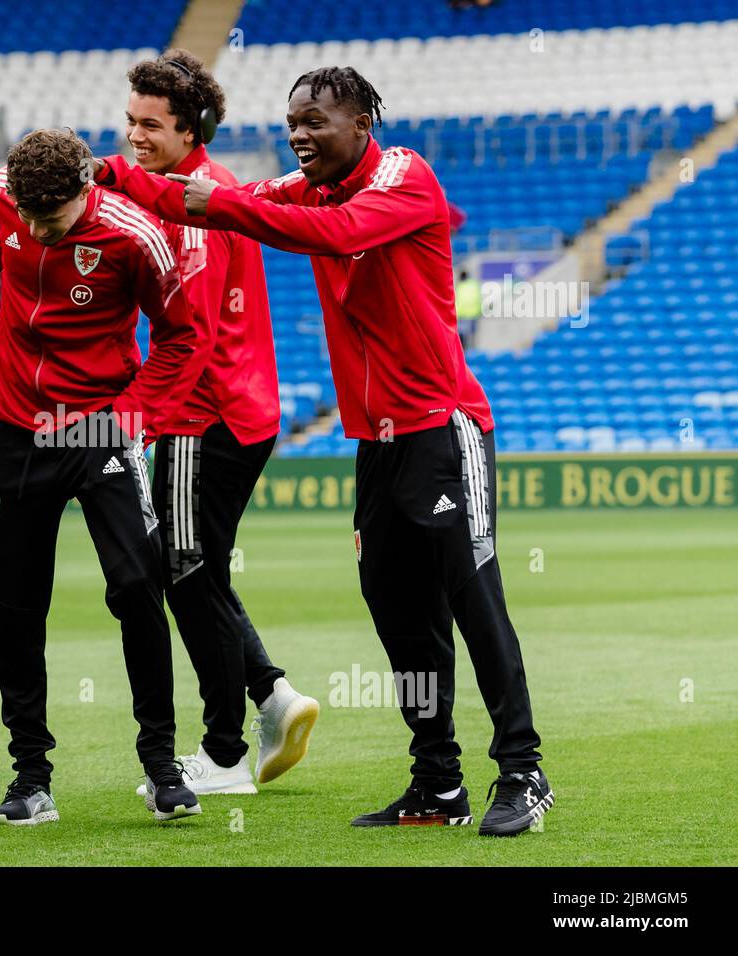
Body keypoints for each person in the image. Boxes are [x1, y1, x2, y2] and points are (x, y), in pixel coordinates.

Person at [101, 66, 553, 836]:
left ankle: (522, 772)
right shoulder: (310, 187)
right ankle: (437, 784)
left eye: (316, 121)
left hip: (444, 428)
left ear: (362, 125)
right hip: (376, 445)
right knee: (401, 618)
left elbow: (328, 230)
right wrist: (108, 173)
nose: (300, 134)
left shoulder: (404, 175)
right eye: (293, 122)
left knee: (477, 605)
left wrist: (224, 202)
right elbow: (211, 203)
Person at [0, 129, 205, 825]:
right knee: (16, 607)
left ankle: (162, 766)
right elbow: (2, 245)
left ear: (87, 192)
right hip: (14, 428)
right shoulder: (12, 204)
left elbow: (182, 336)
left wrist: (132, 417)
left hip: (98, 428)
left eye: (49, 219)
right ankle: (30, 778)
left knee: (139, 584)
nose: (33, 229)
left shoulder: (135, 237)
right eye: (23, 213)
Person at [96, 50, 319, 797]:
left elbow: (186, 338)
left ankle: (224, 755)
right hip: (241, 407)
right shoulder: (198, 191)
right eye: (129, 121)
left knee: (185, 572)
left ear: (192, 132)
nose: (135, 135)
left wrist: (140, 423)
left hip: (204, 415)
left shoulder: (191, 210)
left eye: (150, 125)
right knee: (198, 568)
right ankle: (271, 695)